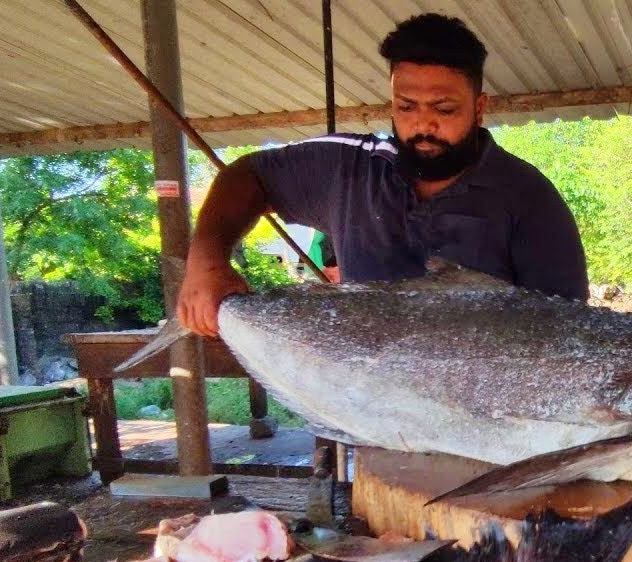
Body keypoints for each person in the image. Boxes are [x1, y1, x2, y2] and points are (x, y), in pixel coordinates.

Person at [178, 13, 588, 337]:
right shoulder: (348, 167)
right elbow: (248, 175)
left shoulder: (529, 198)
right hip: (358, 407)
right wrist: (206, 260)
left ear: (479, 108)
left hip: (479, 413)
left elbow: (564, 333)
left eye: (444, 109)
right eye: (406, 107)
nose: (423, 125)